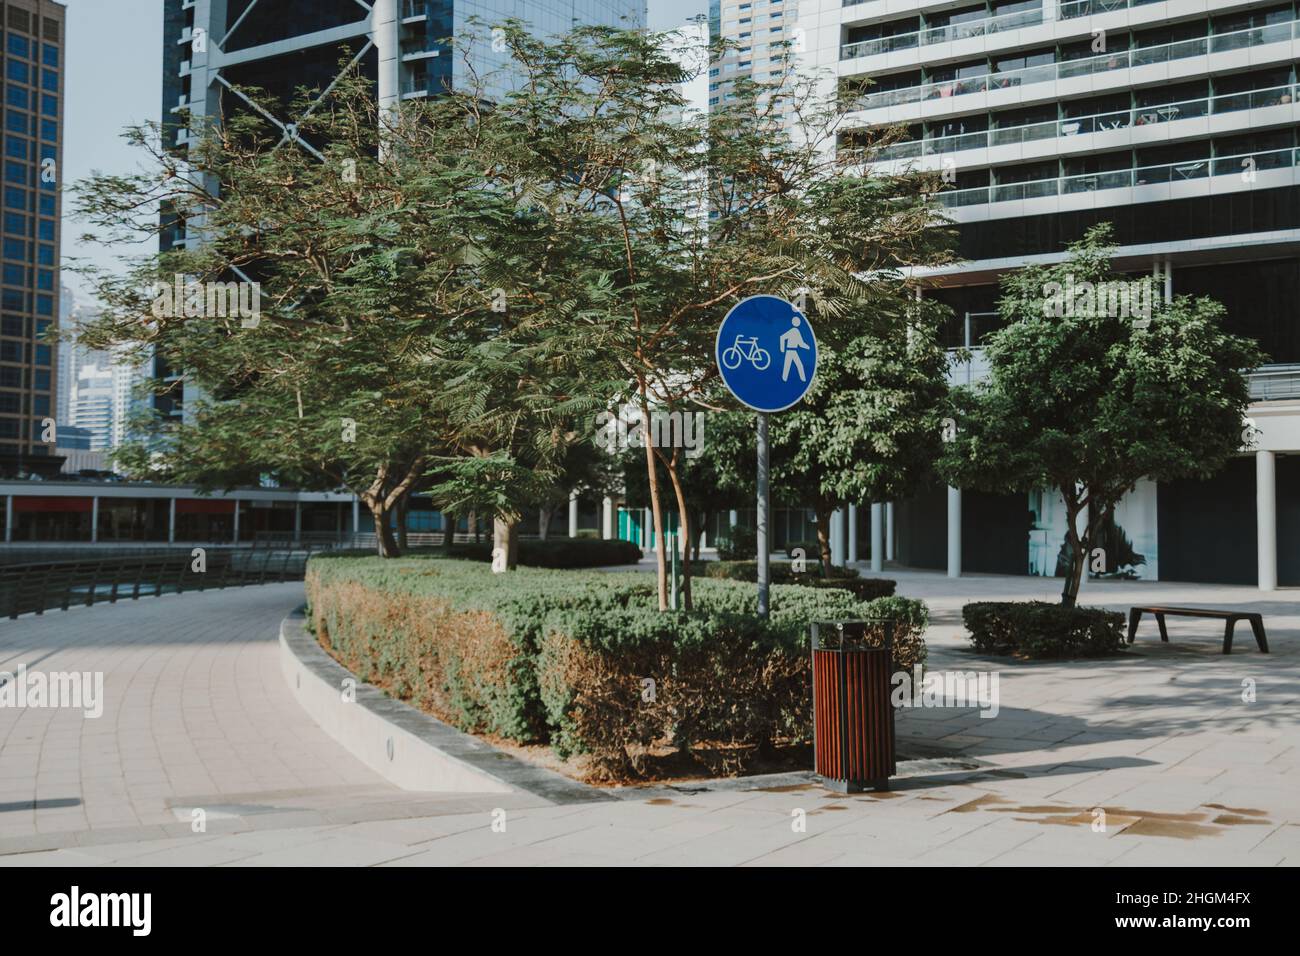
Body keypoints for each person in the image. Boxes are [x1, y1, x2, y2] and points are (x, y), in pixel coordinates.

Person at [779, 315, 811, 382]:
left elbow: (800, 343)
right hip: (790, 351)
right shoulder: (793, 331)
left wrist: (808, 347)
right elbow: (782, 337)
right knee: (790, 365)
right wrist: (782, 348)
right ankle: (785, 380)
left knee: (795, 365)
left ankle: (802, 379)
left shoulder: (796, 331)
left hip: (793, 351)